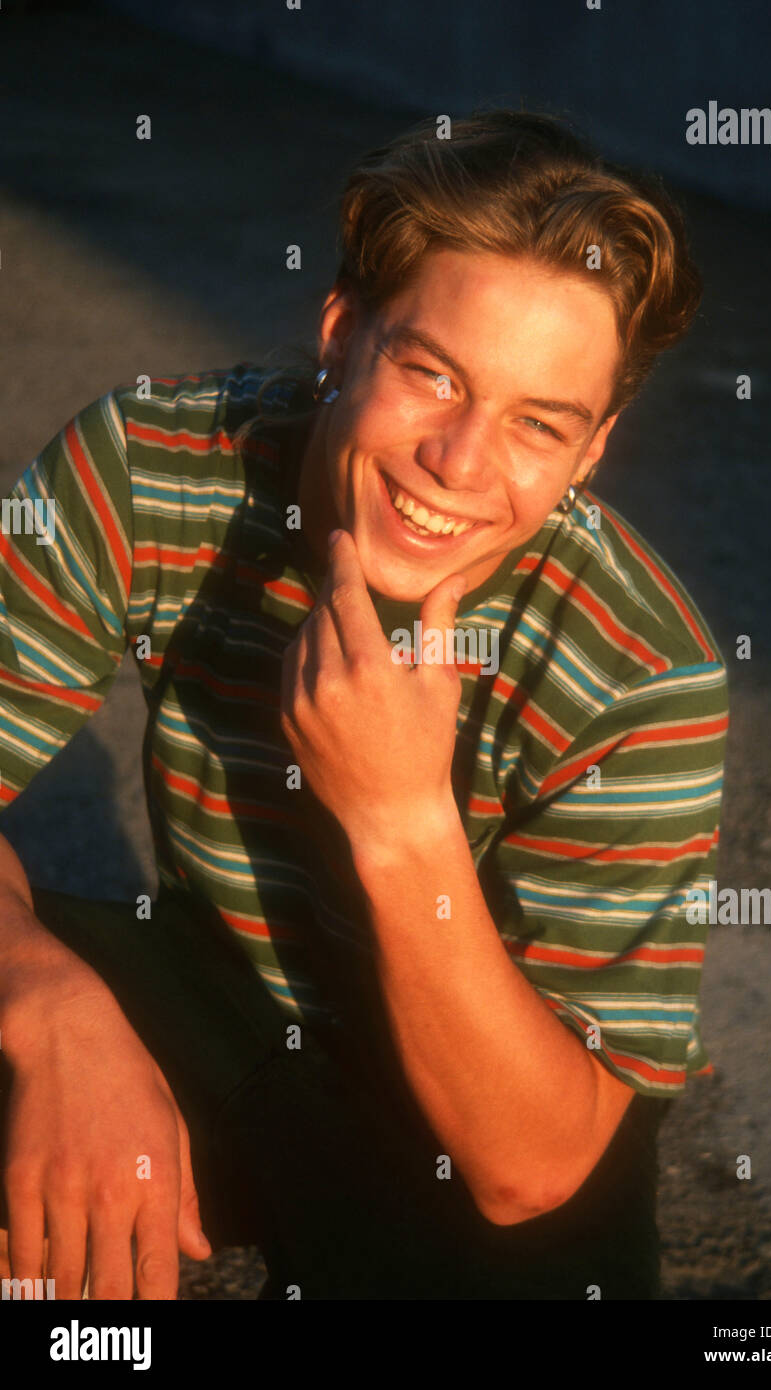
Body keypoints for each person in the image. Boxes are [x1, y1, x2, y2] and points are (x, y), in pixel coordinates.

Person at [0, 109, 728, 1300]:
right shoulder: (148, 466)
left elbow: (532, 1163)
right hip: (220, 995)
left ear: (593, 447)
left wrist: (399, 818)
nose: (458, 462)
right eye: (432, 373)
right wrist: (44, 999)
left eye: (538, 424)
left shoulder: (640, 667)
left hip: (484, 1096)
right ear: (343, 334)